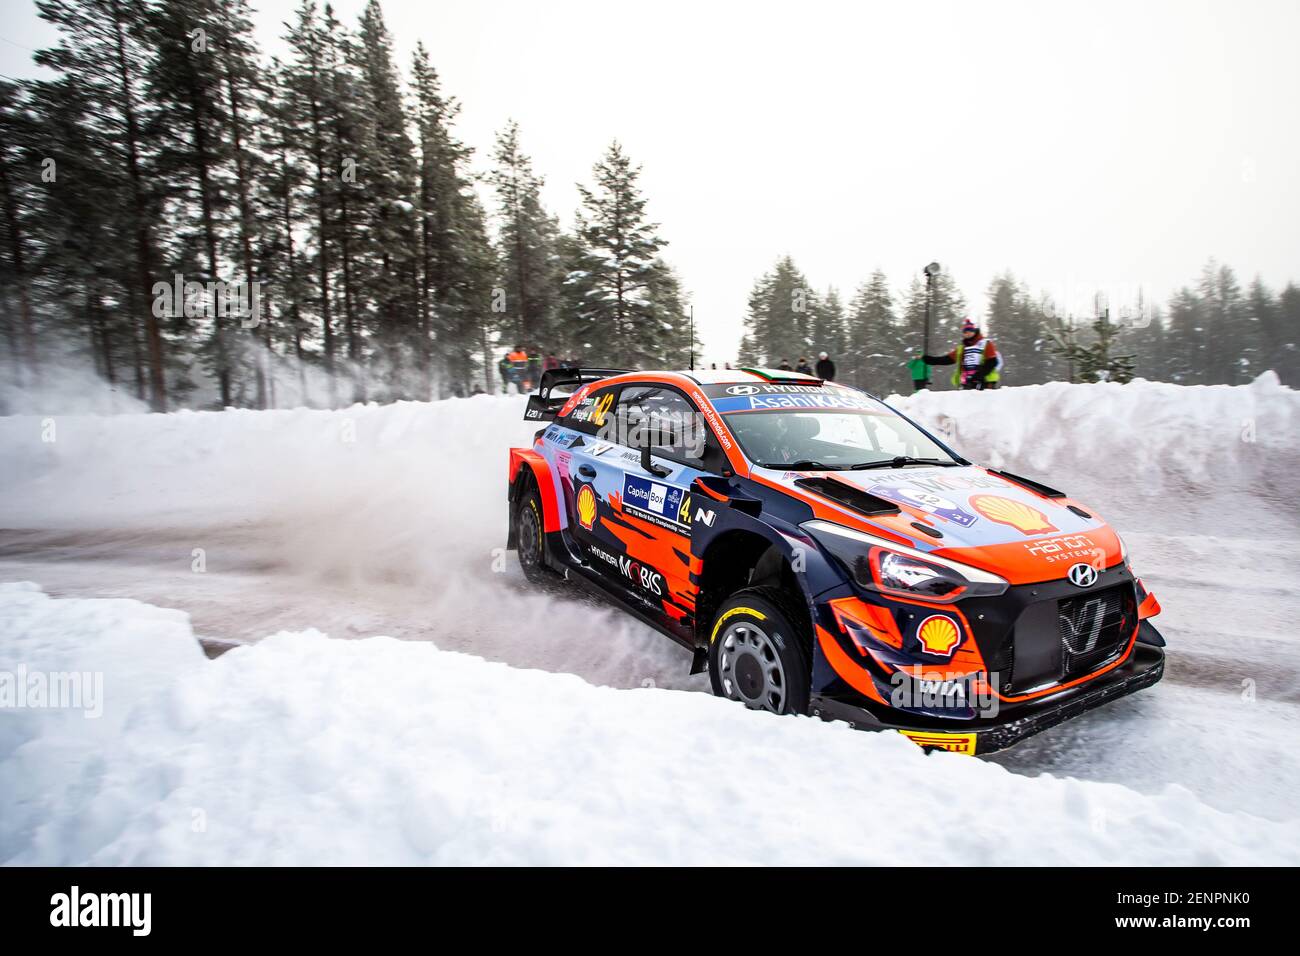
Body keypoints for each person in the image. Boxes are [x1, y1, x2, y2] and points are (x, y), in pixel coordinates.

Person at [923, 319, 1001, 389]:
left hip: (985, 382)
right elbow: (948, 359)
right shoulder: (962, 348)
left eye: (970, 331)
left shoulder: (986, 343)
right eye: (965, 332)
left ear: (975, 331)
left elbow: (992, 362)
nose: (968, 333)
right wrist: (930, 360)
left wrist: (979, 375)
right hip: (968, 382)